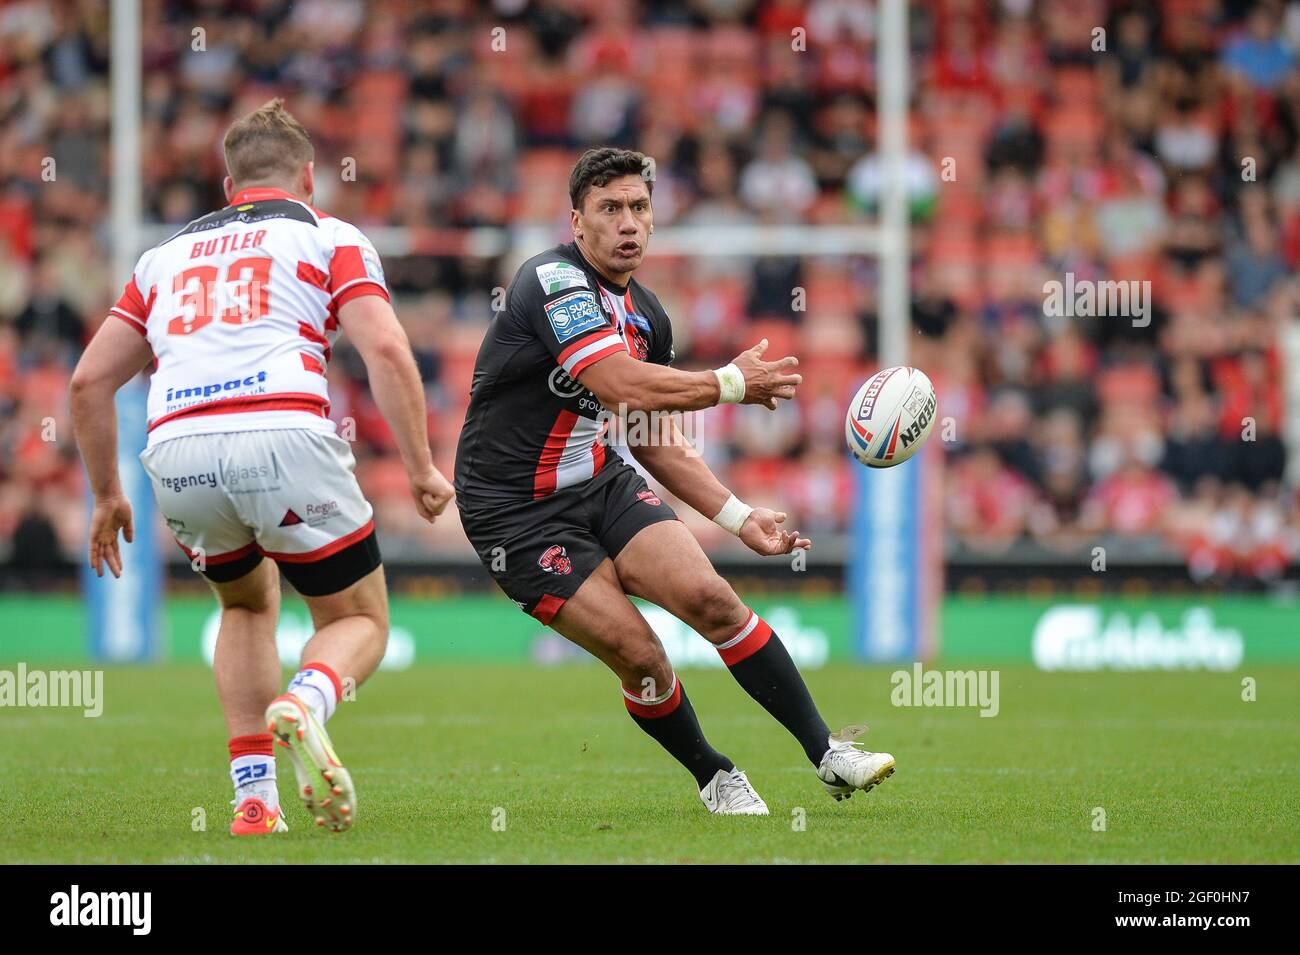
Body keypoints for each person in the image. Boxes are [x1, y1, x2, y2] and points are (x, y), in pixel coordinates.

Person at [454, 146, 894, 814]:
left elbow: (647, 431)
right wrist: (730, 383)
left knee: (711, 598)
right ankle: (714, 773)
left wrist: (738, 516)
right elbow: (616, 380)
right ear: (577, 222)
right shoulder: (551, 281)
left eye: (638, 207)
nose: (627, 221)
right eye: (609, 208)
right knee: (643, 656)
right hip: (513, 512)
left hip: (596, 480)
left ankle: (830, 754)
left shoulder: (649, 316)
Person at [69, 100, 454, 835]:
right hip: (281, 432)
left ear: (227, 185)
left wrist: (106, 495)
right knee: (359, 616)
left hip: (176, 449)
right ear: (309, 177)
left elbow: (88, 382)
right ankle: (306, 700)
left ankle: (255, 800)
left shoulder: (162, 257)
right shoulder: (329, 235)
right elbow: (387, 350)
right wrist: (421, 466)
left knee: (244, 605)